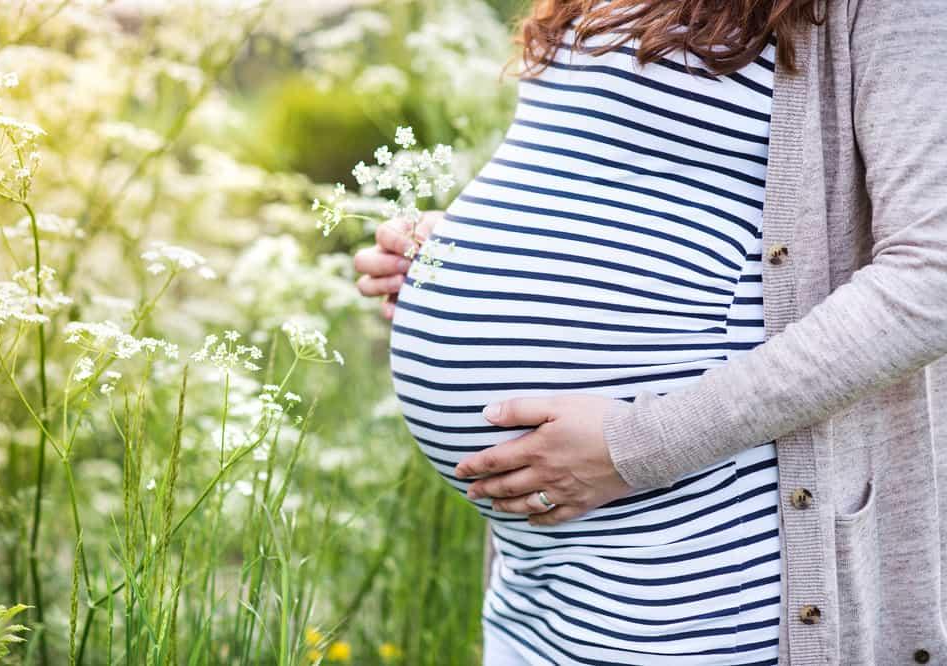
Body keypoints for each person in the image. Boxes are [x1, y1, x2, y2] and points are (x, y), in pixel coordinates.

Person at [353, 0, 947, 664]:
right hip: (534, 583)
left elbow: (932, 276)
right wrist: (454, 256)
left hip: (700, 569)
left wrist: (636, 446)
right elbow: (619, 172)